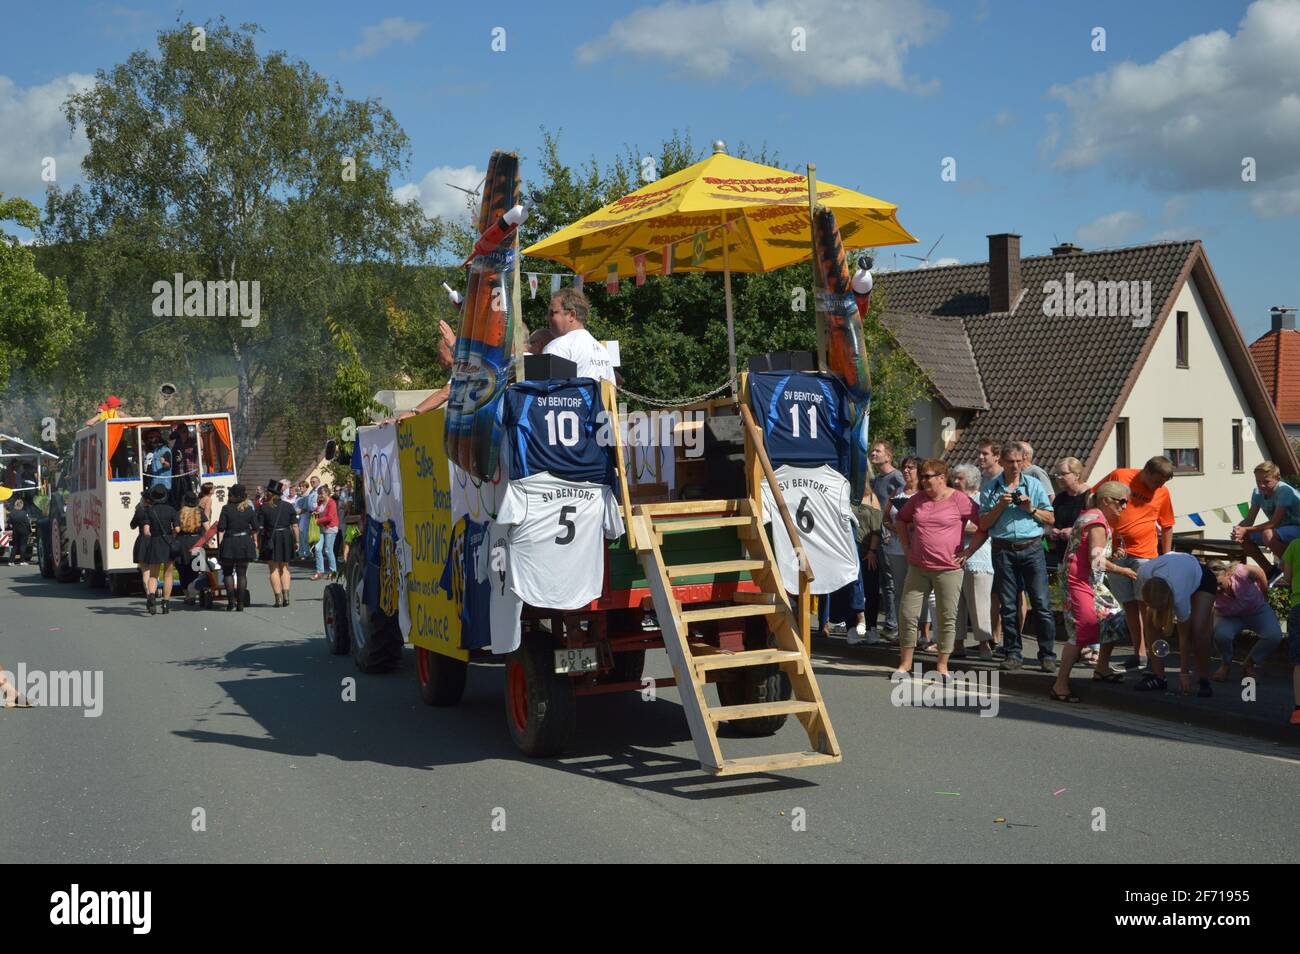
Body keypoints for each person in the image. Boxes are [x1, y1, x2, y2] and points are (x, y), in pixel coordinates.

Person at [894, 459, 986, 676]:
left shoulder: (960, 500)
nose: (923, 480)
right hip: (918, 567)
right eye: (922, 476)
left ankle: (942, 666)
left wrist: (968, 552)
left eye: (928, 476)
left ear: (942, 478)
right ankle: (905, 665)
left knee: (946, 617)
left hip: (948, 568)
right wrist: (907, 549)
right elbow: (900, 519)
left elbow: (984, 527)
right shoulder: (917, 499)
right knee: (907, 614)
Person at [978, 440, 1058, 672]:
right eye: (1010, 461)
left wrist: (1030, 508)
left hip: (1032, 548)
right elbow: (983, 523)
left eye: (1018, 461)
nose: (1015, 466)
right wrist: (999, 507)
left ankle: (1047, 655)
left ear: (1024, 461)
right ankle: (1013, 653)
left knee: (1042, 603)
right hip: (1003, 548)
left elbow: (1051, 519)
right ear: (1001, 462)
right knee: (1009, 604)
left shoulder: (1033, 484)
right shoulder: (991, 488)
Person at [1051, 481, 1132, 702]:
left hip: (1087, 579)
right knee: (1083, 629)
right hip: (1080, 581)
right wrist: (1122, 569)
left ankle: (1102, 668)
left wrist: (1113, 559)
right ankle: (1060, 685)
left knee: (1115, 617)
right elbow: (1096, 561)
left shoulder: (1093, 515)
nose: (1124, 507)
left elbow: (1093, 554)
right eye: (1121, 502)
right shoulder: (1096, 522)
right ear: (1106, 500)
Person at [1092, 456, 1176, 672]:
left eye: (1163, 483)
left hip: (1144, 554)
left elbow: (1167, 525)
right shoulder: (1121, 475)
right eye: (1157, 481)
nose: (1159, 487)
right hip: (1116, 553)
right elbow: (1094, 497)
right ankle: (1138, 654)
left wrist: (1166, 558)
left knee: (1145, 605)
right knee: (1128, 604)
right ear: (1146, 471)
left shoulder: (1162, 493)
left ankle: (1151, 656)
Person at [1136, 551, 1216, 696]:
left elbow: (1184, 637)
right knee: (1150, 621)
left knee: (1198, 629)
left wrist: (1183, 673)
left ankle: (1203, 679)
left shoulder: (1179, 596)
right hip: (1179, 570)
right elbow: (1147, 607)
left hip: (1202, 578)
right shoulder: (1143, 572)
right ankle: (1159, 677)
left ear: (1168, 601)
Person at [1209, 559, 1282, 683]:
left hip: (1256, 610)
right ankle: (1226, 663)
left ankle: (1249, 664)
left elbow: (1259, 572)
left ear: (1227, 574)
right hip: (1228, 616)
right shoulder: (1209, 587)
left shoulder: (1240, 572)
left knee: (1274, 636)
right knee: (1221, 635)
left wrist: (1264, 595)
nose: (1217, 589)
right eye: (1213, 586)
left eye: (1220, 584)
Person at [950, 464, 994, 661]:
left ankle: (985, 644)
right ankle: (957, 643)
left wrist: (956, 526)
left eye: (960, 478)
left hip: (978, 558)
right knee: (955, 604)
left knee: (979, 603)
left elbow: (982, 526)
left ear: (971, 480)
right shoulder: (951, 500)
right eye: (955, 478)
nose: (955, 482)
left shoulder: (981, 499)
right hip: (953, 558)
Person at [1231, 461, 1300, 582]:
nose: (1261, 485)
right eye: (1258, 482)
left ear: (1277, 478)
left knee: (1267, 534)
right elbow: (1249, 519)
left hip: (1297, 527)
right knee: (1244, 536)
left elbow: (1274, 523)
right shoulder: (1257, 493)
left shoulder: (1284, 491)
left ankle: (1293, 567)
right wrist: (1238, 530)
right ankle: (1270, 571)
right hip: (1282, 530)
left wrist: (1245, 529)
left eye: (1266, 482)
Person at [869, 440, 904, 638]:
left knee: (892, 582)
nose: (873, 454)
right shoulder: (875, 480)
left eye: (878, 451)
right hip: (879, 535)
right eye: (873, 450)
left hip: (892, 537)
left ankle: (894, 624)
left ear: (888, 456)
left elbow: (906, 499)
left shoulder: (896, 477)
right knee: (885, 582)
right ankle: (891, 623)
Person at [544, 288, 616, 383]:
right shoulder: (603, 351)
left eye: (552, 313)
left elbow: (547, 394)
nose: (547, 318)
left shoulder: (558, 347)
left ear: (571, 315)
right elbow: (612, 392)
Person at [848, 491, 883, 645]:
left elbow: (876, 528)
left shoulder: (871, 497)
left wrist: (872, 551)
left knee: (871, 591)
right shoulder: (845, 493)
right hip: (848, 551)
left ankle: (872, 628)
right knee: (850, 589)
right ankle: (851, 627)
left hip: (867, 553)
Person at [216, 483, 258, 611]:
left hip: (229, 541)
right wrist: (253, 538)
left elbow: (221, 528)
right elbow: (256, 527)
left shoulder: (226, 509)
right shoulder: (249, 510)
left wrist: (220, 545)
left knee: (228, 573)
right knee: (242, 574)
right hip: (245, 541)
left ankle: (231, 603)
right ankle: (240, 604)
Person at [139, 482, 179, 615]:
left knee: (153, 575)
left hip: (155, 543)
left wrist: (153, 536)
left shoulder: (149, 511)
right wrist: (171, 534)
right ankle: (166, 604)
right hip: (168, 543)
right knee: (168, 574)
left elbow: (146, 532)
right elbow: (178, 528)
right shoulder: (172, 510)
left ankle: (151, 596)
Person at [258, 480, 299, 608]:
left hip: (271, 537)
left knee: (273, 568)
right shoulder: (288, 506)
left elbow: (260, 528)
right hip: (286, 536)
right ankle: (286, 596)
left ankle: (278, 599)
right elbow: (295, 526)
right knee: (285, 567)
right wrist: (297, 541)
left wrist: (258, 544)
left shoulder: (263, 507)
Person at [1277, 536, 1300, 725]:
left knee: (1299, 662)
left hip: (1299, 605)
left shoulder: (1295, 545)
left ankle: (1298, 712)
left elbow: (1287, 576)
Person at [175, 492, 207, 605]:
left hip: (182, 542)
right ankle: (193, 593)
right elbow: (207, 528)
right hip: (197, 542)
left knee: (182, 570)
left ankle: (188, 595)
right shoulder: (200, 513)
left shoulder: (179, 513)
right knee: (195, 569)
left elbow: (177, 530)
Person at [312, 484, 339, 581]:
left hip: (330, 528)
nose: (320, 495)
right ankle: (320, 572)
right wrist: (315, 513)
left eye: (321, 494)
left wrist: (317, 521)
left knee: (328, 550)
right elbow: (317, 511)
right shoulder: (320, 502)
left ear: (327, 493)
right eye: (319, 494)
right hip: (321, 528)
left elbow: (330, 517)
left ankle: (333, 571)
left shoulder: (332, 503)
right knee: (318, 548)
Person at [297, 476, 319, 559]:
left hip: (306, 515)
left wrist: (296, 512)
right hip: (304, 516)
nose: (301, 488)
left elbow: (306, 507)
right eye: (311, 481)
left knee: (304, 535)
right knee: (301, 534)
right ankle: (302, 552)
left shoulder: (308, 494)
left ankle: (306, 552)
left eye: (302, 486)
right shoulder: (309, 493)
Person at [7, 498, 33, 564]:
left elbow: (9, 523)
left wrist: (12, 526)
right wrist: (30, 531)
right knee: (23, 546)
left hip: (15, 531)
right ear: (21, 505)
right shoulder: (24, 513)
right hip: (24, 532)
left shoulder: (11, 513)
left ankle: (11, 561)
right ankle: (22, 561)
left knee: (15, 546)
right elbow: (28, 523)